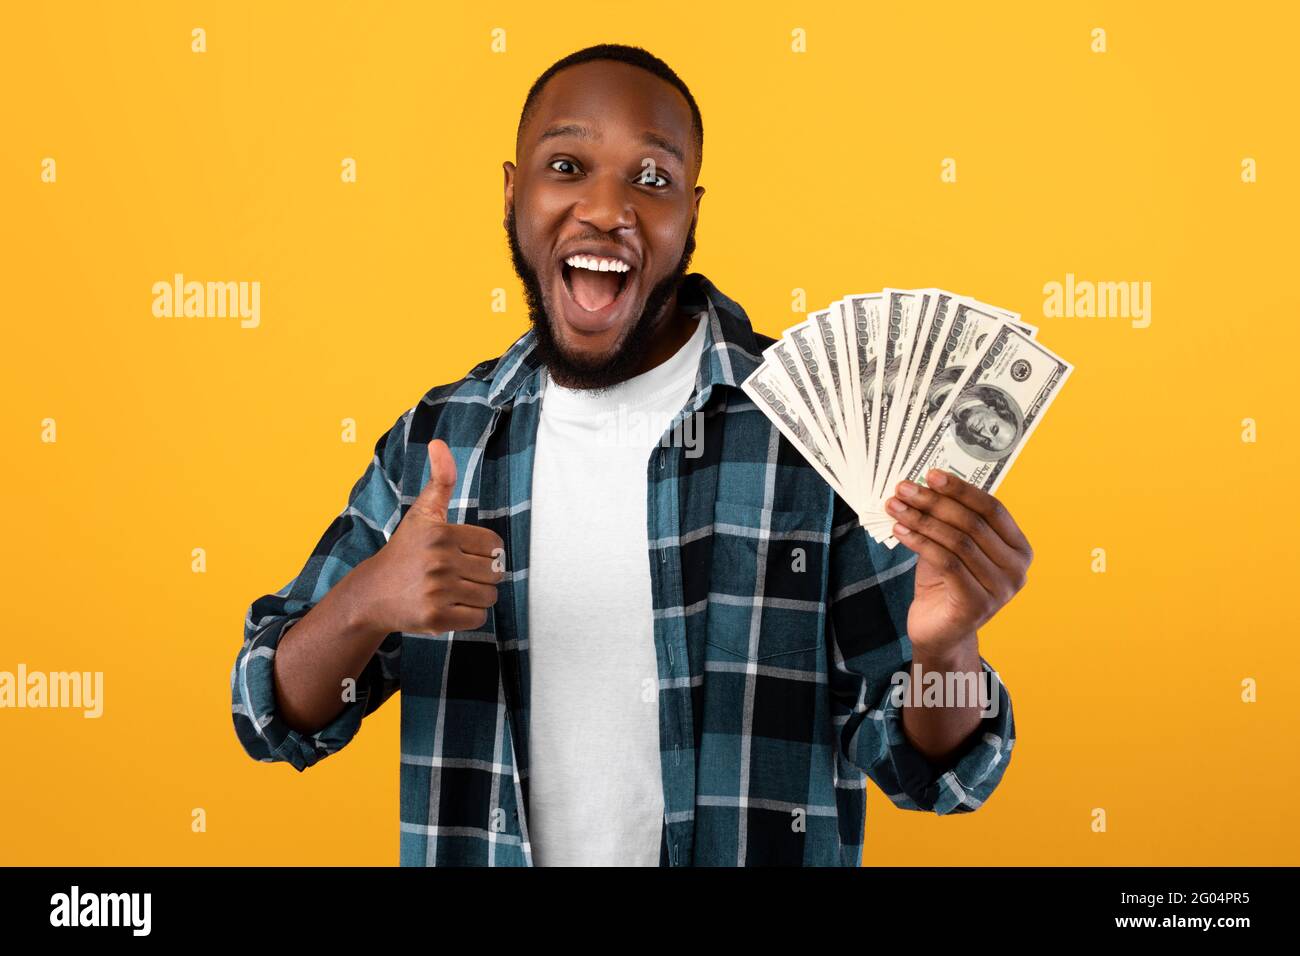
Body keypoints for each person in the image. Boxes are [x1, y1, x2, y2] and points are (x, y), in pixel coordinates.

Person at [230, 43, 1033, 867]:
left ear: (691, 210)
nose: (606, 208)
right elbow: (269, 714)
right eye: (568, 165)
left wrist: (946, 650)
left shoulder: (814, 432)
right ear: (513, 194)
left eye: (651, 180)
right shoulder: (441, 442)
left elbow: (935, 773)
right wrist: (366, 598)